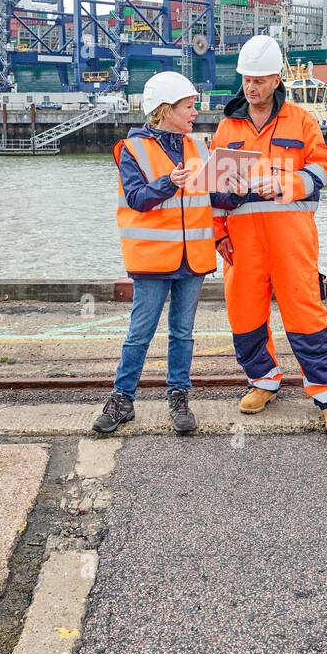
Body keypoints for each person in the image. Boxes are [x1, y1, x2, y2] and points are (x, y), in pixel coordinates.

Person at [212, 35, 327, 435]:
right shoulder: (228, 127)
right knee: (244, 316)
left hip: (291, 242)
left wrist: (288, 184)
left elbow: (322, 169)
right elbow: (215, 191)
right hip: (242, 244)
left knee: (306, 315)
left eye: (258, 80)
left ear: (276, 80)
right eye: (245, 80)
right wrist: (218, 235)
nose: (250, 87)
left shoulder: (302, 122)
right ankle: (263, 381)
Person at [95, 71, 219, 436]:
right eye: (188, 106)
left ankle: (179, 396)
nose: (194, 113)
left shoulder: (199, 147)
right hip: (152, 260)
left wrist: (239, 182)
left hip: (191, 259)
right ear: (166, 110)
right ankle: (122, 398)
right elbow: (137, 198)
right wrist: (169, 183)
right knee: (140, 331)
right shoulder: (132, 149)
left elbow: (214, 197)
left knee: (183, 332)